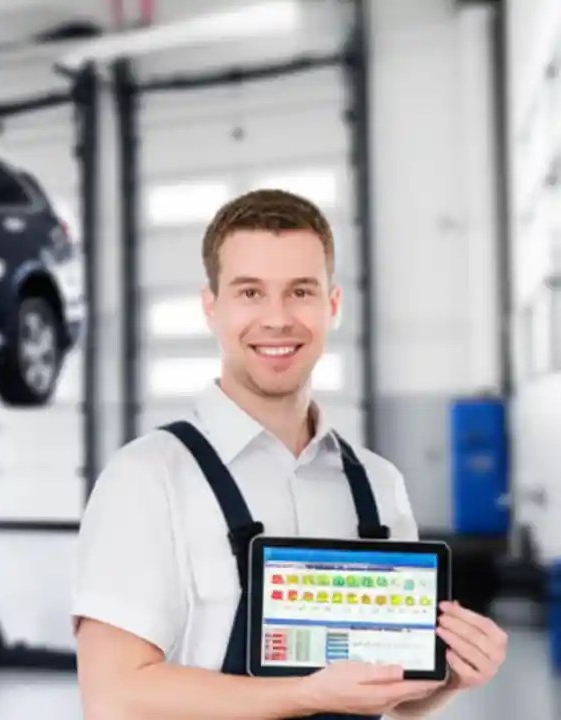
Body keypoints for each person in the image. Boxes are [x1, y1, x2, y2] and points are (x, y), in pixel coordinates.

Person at [70, 190, 508, 719]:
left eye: (300, 291)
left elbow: (393, 706)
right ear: (212, 307)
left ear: (333, 305)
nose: (277, 319)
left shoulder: (377, 484)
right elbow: (114, 697)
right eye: (250, 293)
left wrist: (449, 678)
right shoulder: (147, 477)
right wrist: (303, 695)